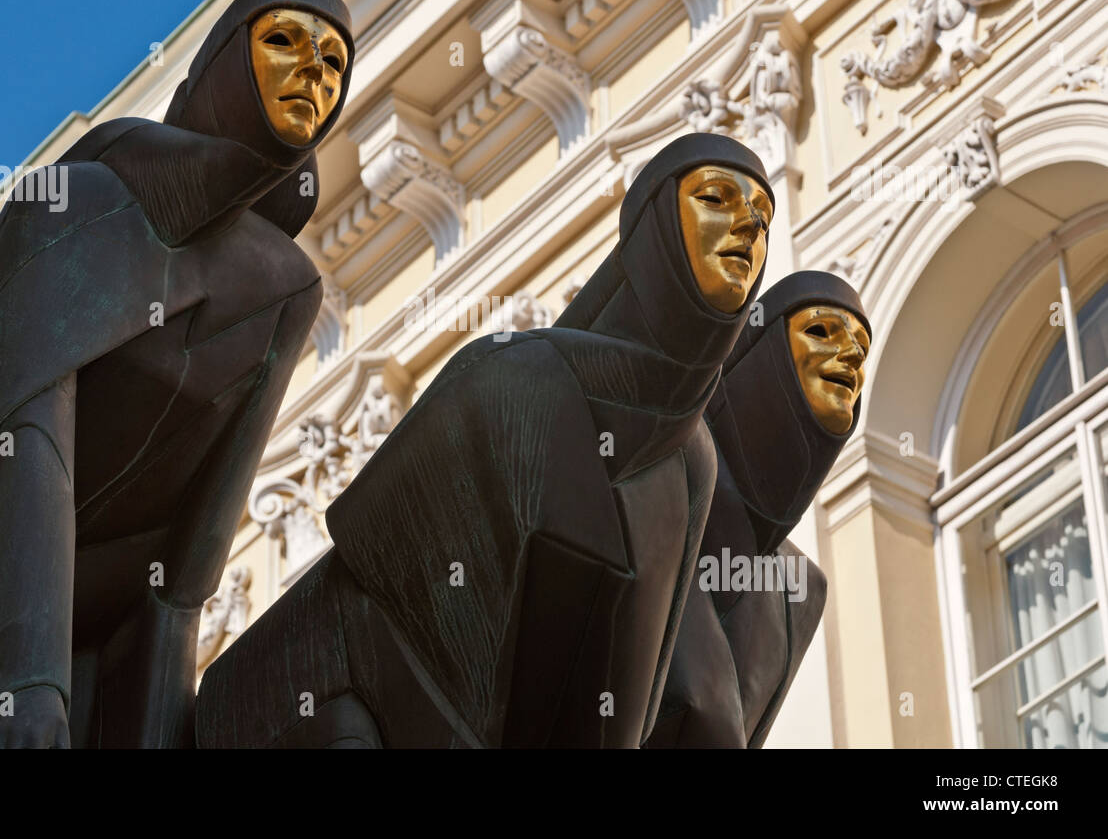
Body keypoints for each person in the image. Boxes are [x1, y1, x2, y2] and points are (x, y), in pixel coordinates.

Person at [0, 0, 354, 748]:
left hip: (77, 680)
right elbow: (21, 438)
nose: (315, 71)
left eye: (334, 61)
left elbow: (181, 580)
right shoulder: (79, 196)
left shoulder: (286, 292)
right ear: (222, 66)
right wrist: (20, 694)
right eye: (283, 42)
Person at [197, 133, 776, 748]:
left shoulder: (690, 466)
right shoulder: (515, 374)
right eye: (716, 198)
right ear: (655, 228)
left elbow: (624, 707)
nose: (747, 227)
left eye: (763, 218)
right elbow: (369, 608)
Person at [646, 270, 870, 747]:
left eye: (862, 349)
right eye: (819, 331)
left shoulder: (801, 592)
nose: (851, 355)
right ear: (761, 352)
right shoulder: (662, 472)